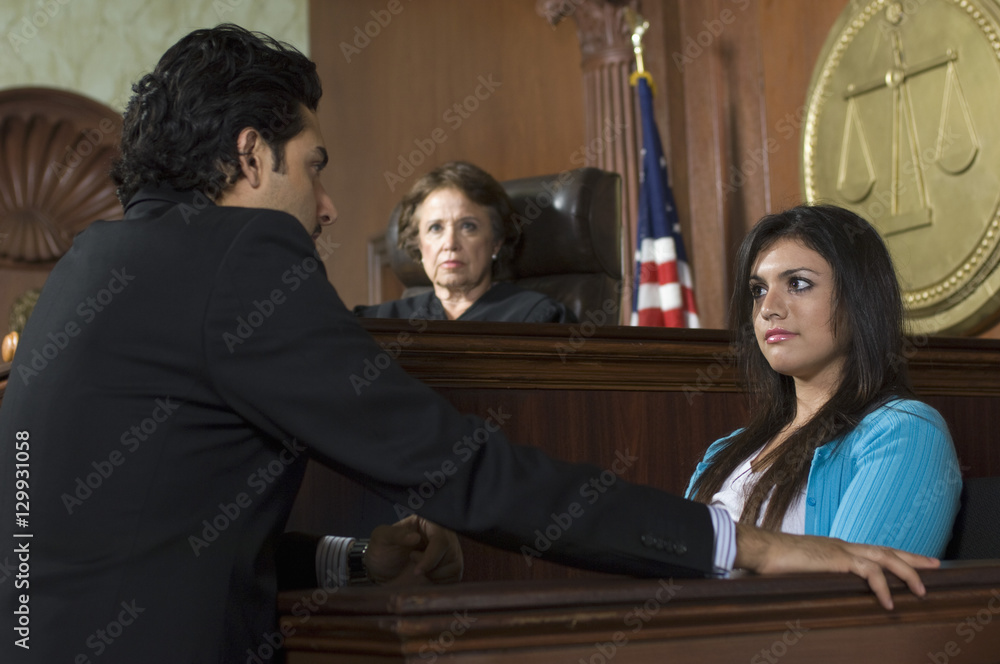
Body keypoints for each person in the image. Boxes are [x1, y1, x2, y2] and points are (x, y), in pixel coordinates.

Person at [0, 25, 937, 664]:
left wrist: (352, 564)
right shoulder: (240, 252)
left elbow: (149, 528)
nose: (326, 206)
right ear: (251, 155)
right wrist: (747, 547)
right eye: (315, 166)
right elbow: (465, 473)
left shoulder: (97, 263)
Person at [686, 205, 961, 557]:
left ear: (859, 299)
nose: (768, 307)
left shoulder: (904, 431)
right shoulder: (724, 452)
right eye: (758, 290)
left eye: (798, 284)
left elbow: (852, 601)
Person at [355, 161, 575, 322]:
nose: (450, 243)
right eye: (435, 228)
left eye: (468, 226)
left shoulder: (537, 318)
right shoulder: (381, 322)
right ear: (419, 245)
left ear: (496, 242)